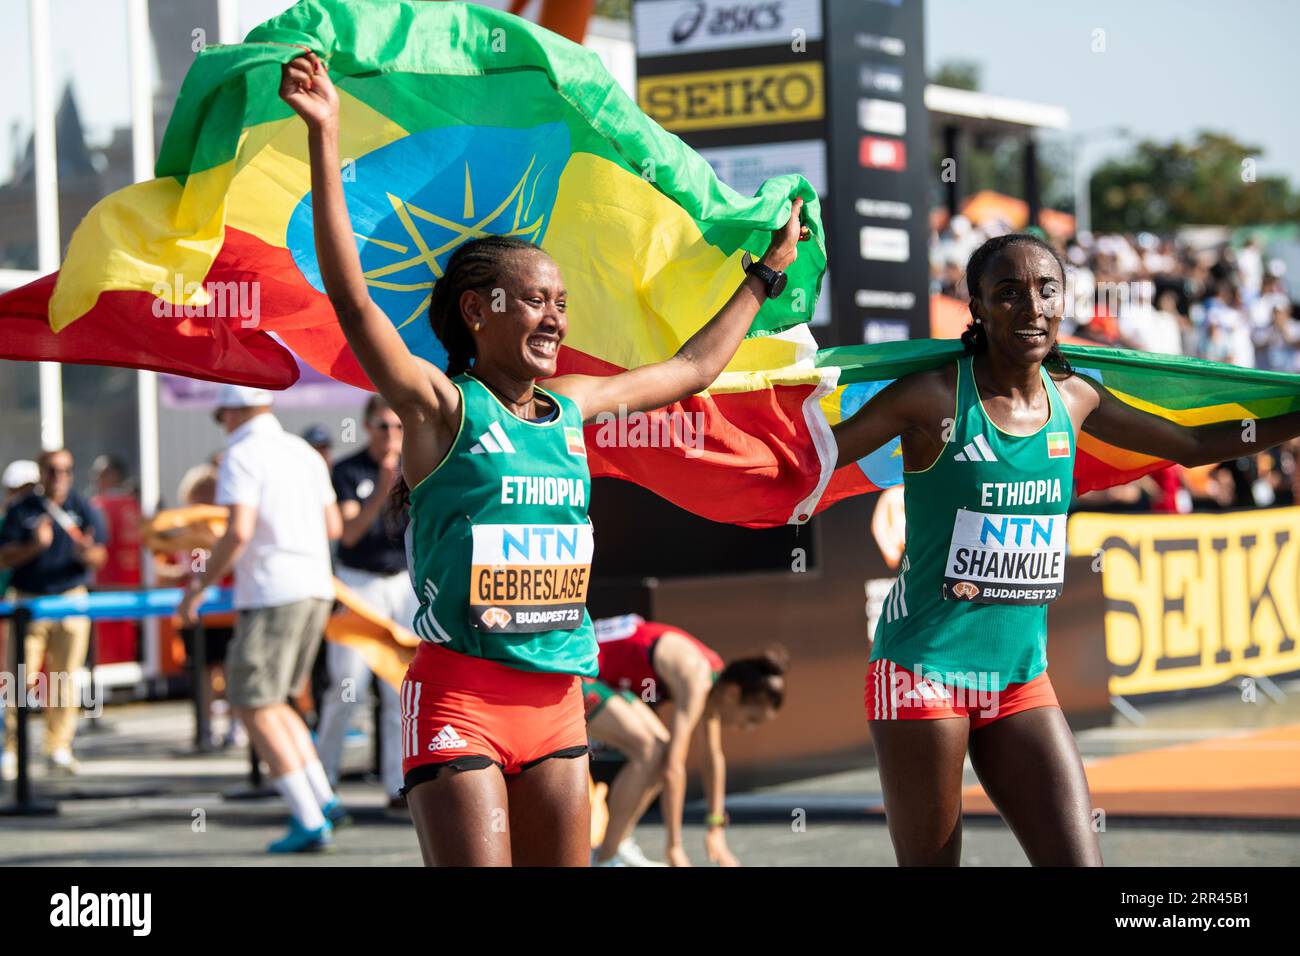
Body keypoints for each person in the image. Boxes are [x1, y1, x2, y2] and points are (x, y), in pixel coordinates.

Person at [279, 51, 807, 866]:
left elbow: (692, 369)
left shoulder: (572, 406)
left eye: (561, 302)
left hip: (559, 705)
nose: (556, 318)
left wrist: (765, 275)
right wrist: (324, 133)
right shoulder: (440, 407)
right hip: (460, 701)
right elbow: (352, 303)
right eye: (535, 300)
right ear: (477, 311)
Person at [831, 232, 1300, 866]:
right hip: (922, 673)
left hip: (1021, 679)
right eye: (1008, 292)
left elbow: (1190, 447)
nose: (1032, 307)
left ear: (1063, 299)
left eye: (1046, 290)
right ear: (977, 308)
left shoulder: (1074, 398)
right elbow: (817, 455)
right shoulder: (934, 397)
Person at [176, 384, 345, 854]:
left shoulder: (241, 455)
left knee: (251, 703)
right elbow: (333, 527)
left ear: (233, 413)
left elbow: (239, 532)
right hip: (315, 586)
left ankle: (309, 816)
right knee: (276, 702)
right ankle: (323, 799)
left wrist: (197, 587)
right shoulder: (304, 452)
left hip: (274, 590)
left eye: (223, 414)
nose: (223, 423)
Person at [584, 614, 785, 867]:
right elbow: (673, 769)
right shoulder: (696, 679)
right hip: (575, 672)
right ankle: (605, 858)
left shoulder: (715, 681)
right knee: (650, 751)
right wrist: (674, 848)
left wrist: (716, 830)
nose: (746, 728)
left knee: (658, 752)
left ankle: (616, 844)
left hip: (605, 679)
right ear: (734, 694)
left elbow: (713, 758)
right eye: (751, 718)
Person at [315, 395, 412, 815]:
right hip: (358, 584)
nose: (390, 434)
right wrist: (384, 491)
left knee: (399, 689)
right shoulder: (348, 470)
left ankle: (397, 784)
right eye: (382, 426)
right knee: (347, 686)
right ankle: (322, 782)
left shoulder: (417, 466)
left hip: (402, 583)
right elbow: (349, 533)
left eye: (397, 426)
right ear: (367, 426)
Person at [0, 449, 108, 777]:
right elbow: (4, 557)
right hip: (29, 601)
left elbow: (100, 555)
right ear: (41, 473)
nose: (59, 477)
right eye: (52, 470)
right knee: (19, 679)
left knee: (65, 678)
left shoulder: (83, 507)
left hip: (70, 600)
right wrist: (35, 545)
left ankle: (58, 746)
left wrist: (87, 553)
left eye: (65, 470)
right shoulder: (22, 509)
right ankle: (12, 749)